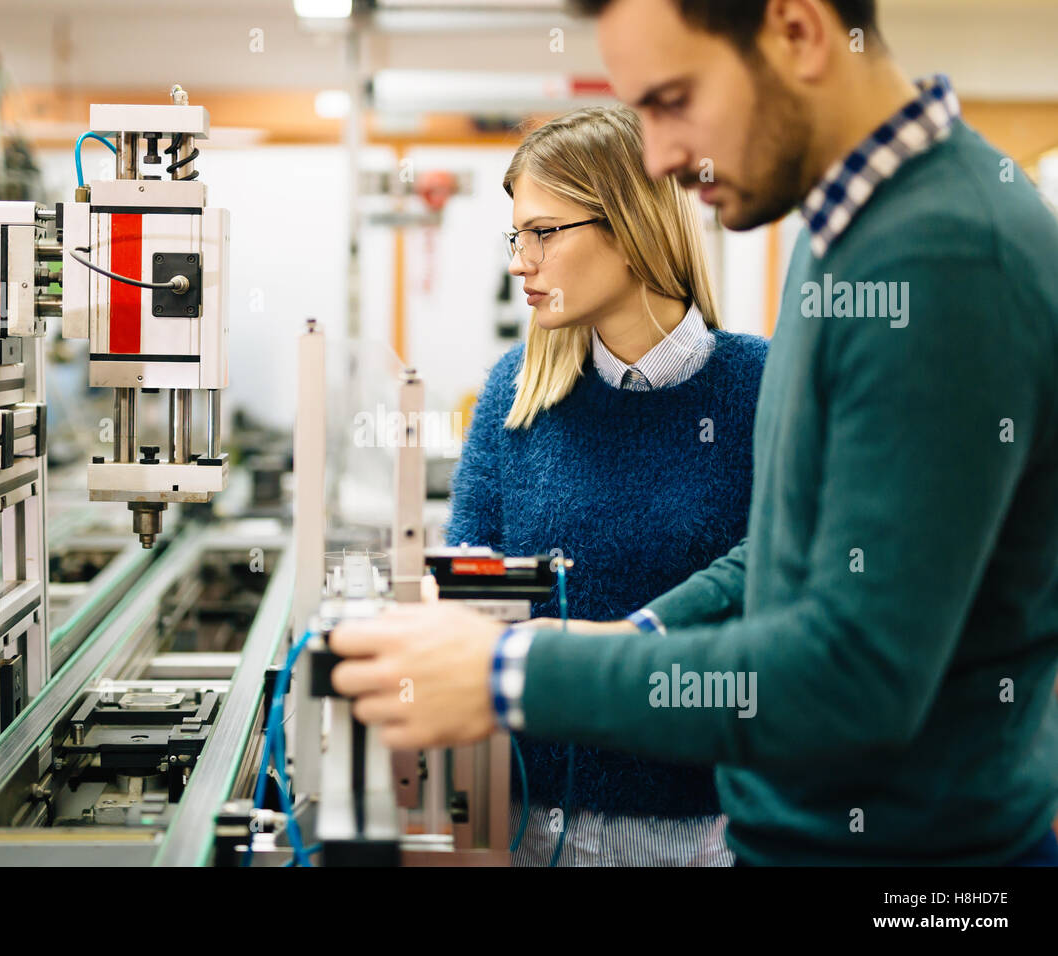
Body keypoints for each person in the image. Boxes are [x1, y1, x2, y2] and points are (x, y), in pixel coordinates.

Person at [329, 0, 1058, 866]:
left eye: (674, 100)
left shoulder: (942, 256)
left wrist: (508, 676)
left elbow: (855, 676)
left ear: (797, 29)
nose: (662, 156)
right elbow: (780, 552)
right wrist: (632, 637)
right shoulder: (851, 240)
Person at [447, 105, 766, 865]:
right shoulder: (515, 392)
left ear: (629, 226)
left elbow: (783, 580)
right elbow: (465, 573)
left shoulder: (763, 387)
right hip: (523, 825)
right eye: (515, 236)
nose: (521, 261)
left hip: (700, 835)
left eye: (544, 233)